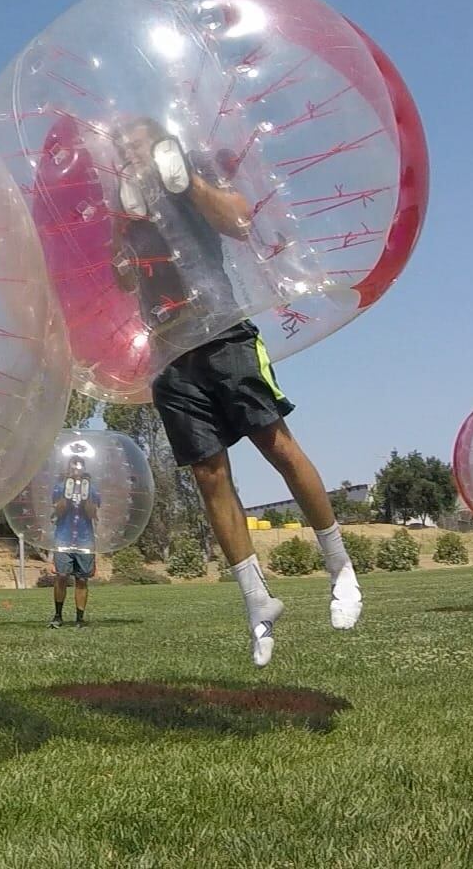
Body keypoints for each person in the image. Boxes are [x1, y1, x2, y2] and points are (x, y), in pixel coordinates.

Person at [109, 117, 361, 668]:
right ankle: (256, 602)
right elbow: (126, 279)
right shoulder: (123, 201)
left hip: (224, 332)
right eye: (118, 144)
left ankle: (339, 564)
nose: (125, 148)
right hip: (169, 352)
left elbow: (239, 220)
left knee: (277, 447)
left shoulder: (188, 167)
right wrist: (121, 253)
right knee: (208, 474)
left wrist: (182, 182)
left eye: (133, 138)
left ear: (155, 137)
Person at [49, 456, 99, 628]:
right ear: (68, 468)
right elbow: (58, 511)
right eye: (73, 466)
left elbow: (93, 514)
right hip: (63, 538)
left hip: (85, 540)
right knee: (61, 576)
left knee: (82, 579)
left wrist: (86, 498)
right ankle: (58, 616)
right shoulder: (59, 487)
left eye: (79, 466)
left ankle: (80, 618)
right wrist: (66, 494)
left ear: (84, 468)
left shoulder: (92, 488)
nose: (76, 469)